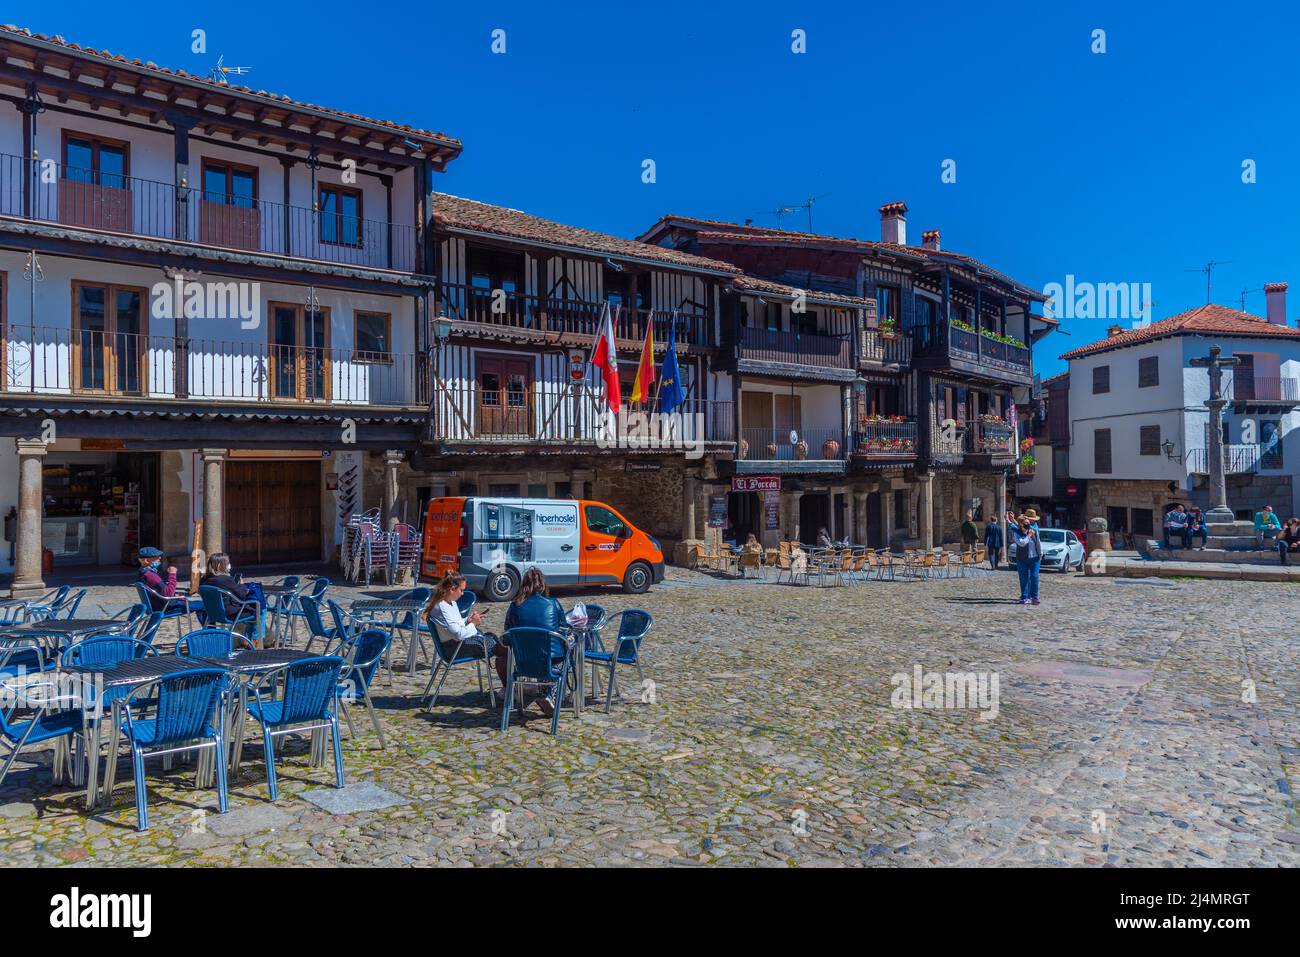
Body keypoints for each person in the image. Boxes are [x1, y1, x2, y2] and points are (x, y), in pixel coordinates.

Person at [503, 568, 569, 716]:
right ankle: (548, 694)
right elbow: (564, 629)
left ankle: (545, 694)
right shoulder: (553, 604)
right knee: (566, 658)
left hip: (523, 661)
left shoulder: (515, 606)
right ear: (543, 584)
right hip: (552, 657)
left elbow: (507, 633)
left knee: (543, 656)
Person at [428, 570, 511, 688]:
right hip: (454, 649)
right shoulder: (442, 607)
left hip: (456, 644)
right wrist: (473, 624)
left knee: (493, 637)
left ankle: (508, 687)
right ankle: (508, 688)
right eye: (461, 590)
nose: (462, 593)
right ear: (452, 589)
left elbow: (455, 625)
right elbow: (459, 635)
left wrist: (467, 620)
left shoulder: (449, 602)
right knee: (502, 649)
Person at [1009, 512, 1042, 606]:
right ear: (1021, 525)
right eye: (1026, 523)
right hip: (1022, 559)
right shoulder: (1017, 533)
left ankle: (1034, 597)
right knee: (1024, 578)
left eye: (1029, 523)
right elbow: (1022, 543)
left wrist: (1040, 553)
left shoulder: (1033, 530)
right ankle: (1025, 597)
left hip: (1034, 558)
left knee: (1034, 576)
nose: (1028, 525)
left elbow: (1038, 542)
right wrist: (1029, 536)